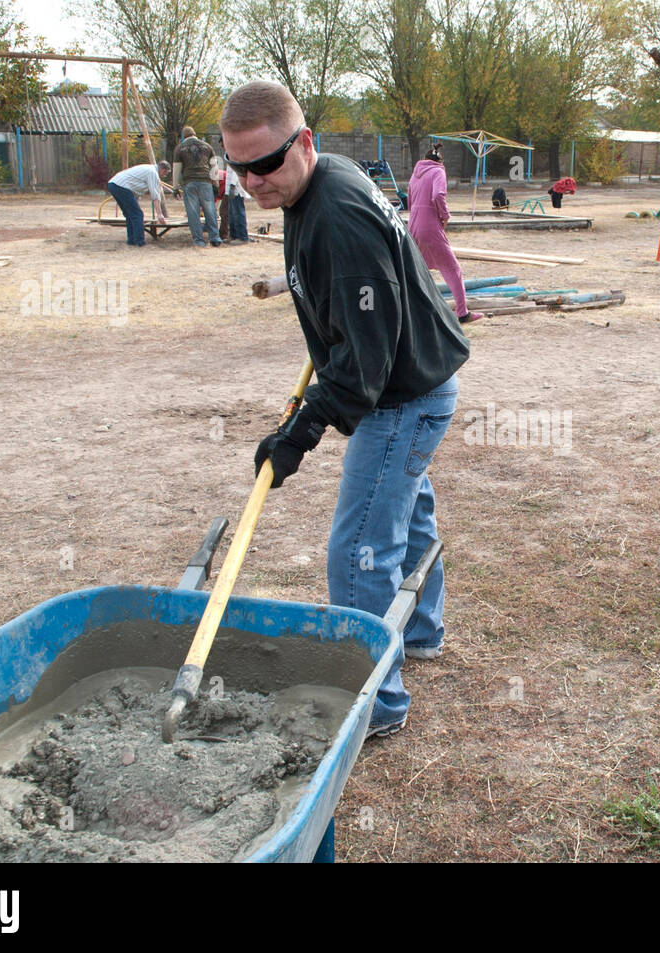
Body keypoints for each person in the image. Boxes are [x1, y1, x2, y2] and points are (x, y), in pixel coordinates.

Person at [220, 81, 471, 740]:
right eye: (239, 167)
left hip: (402, 398)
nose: (253, 181)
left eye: (267, 163)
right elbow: (354, 337)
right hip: (416, 376)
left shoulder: (336, 215)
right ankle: (420, 634)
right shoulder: (319, 179)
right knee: (407, 513)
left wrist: (296, 434)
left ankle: (375, 705)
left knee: (358, 548)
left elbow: (362, 373)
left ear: (304, 142)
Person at [408, 146, 483, 325]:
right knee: (452, 269)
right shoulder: (437, 172)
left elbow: (410, 200)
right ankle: (462, 313)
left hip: (413, 224)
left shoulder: (415, 174)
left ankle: (414, 311)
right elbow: (438, 194)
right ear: (440, 161)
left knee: (418, 271)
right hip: (430, 224)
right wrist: (445, 215)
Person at [175, 125, 221, 247]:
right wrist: (216, 184)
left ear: (184, 136)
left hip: (189, 183)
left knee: (193, 212)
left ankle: (199, 240)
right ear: (194, 133)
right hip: (205, 181)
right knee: (210, 210)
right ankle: (215, 238)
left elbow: (176, 168)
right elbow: (214, 166)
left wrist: (175, 187)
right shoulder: (208, 147)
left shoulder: (180, 148)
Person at [106, 160, 170, 246]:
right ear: (163, 170)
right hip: (121, 186)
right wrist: (159, 214)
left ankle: (131, 240)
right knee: (137, 214)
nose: (164, 175)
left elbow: (135, 189)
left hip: (113, 184)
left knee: (130, 214)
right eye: (165, 173)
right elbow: (155, 195)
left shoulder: (148, 168)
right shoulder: (152, 173)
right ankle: (139, 242)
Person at [217, 164, 252, 243]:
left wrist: (232, 185)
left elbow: (236, 171)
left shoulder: (235, 156)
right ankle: (233, 235)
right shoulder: (230, 155)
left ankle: (242, 237)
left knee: (238, 213)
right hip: (230, 190)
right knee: (231, 214)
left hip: (236, 190)